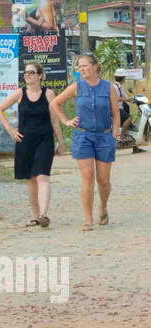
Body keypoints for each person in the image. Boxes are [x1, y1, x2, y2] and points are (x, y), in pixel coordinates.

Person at [50, 52, 120, 231]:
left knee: (103, 180)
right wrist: (66, 121)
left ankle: (103, 208)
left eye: (84, 65)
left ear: (95, 66)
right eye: (79, 66)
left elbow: (116, 113)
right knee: (88, 177)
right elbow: (55, 103)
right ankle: (88, 219)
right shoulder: (76, 87)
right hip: (83, 136)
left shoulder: (109, 87)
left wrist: (114, 135)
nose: (81, 69)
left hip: (104, 136)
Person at [0, 62, 63, 227]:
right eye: (25, 73)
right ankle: (35, 216)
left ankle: (44, 214)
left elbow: (54, 121)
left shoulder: (49, 94)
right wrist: (11, 130)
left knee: (43, 176)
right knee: (31, 179)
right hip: (25, 141)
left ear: (40, 75)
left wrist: (60, 142)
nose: (28, 75)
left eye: (32, 72)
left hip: (44, 140)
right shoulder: (20, 94)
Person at [113, 68, 133, 143]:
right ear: (123, 78)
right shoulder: (115, 87)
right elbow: (115, 98)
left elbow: (125, 97)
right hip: (116, 109)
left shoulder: (120, 87)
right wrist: (126, 99)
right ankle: (122, 137)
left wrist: (133, 98)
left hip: (120, 108)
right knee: (129, 117)